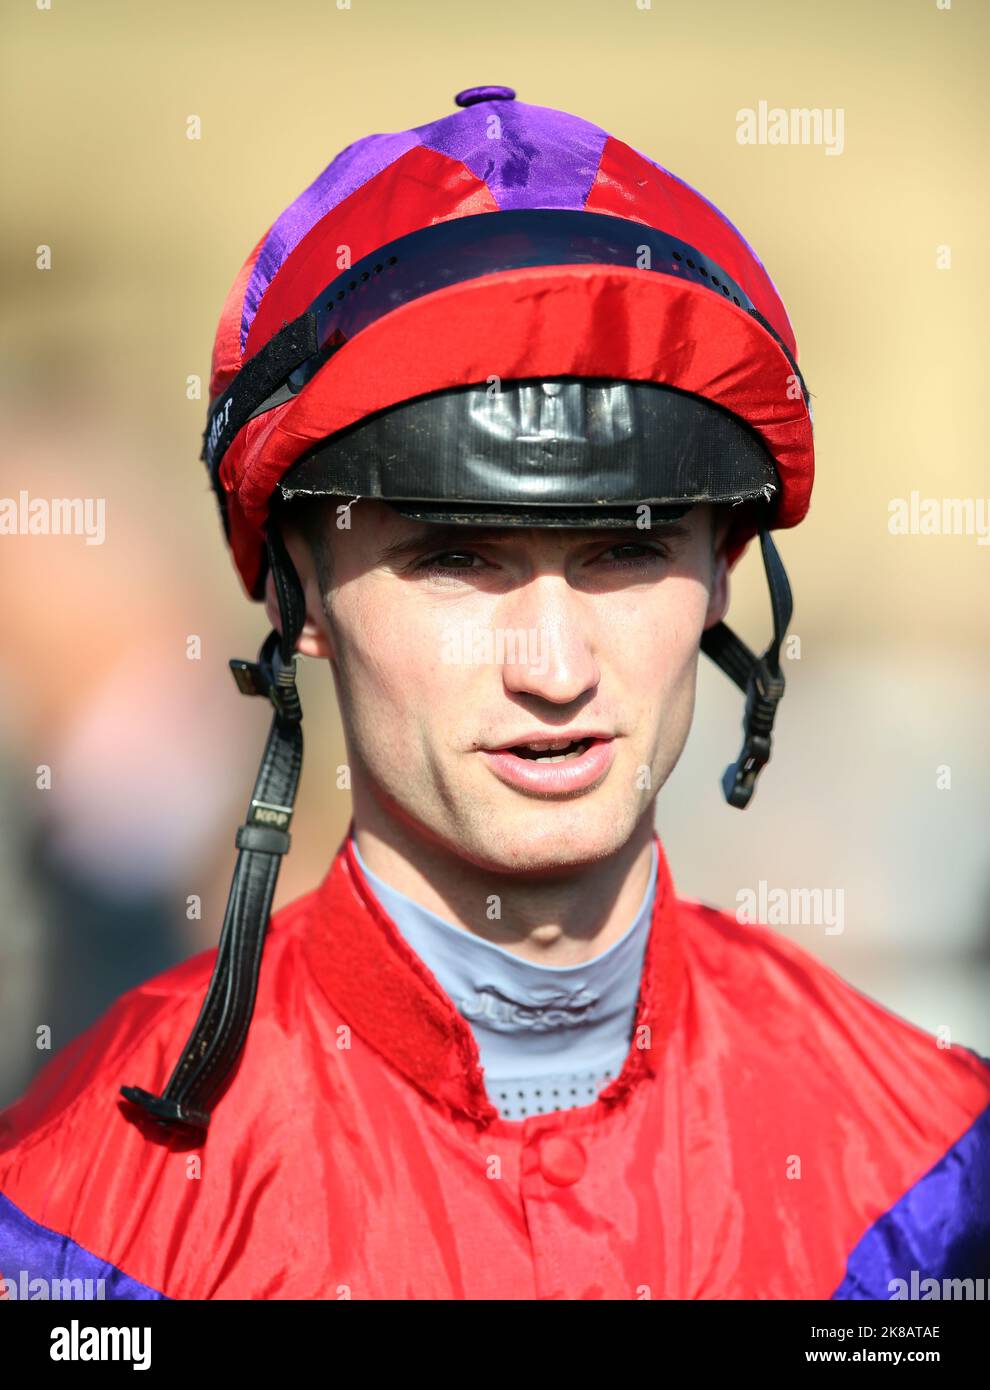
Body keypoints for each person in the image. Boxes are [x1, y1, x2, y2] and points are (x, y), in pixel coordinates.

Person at [1, 85, 987, 1302]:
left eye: (624, 553)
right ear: (293, 598)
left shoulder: (943, 1175)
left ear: (723, 576)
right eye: (457, 560)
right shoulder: (67, 1216)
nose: (557, 669)